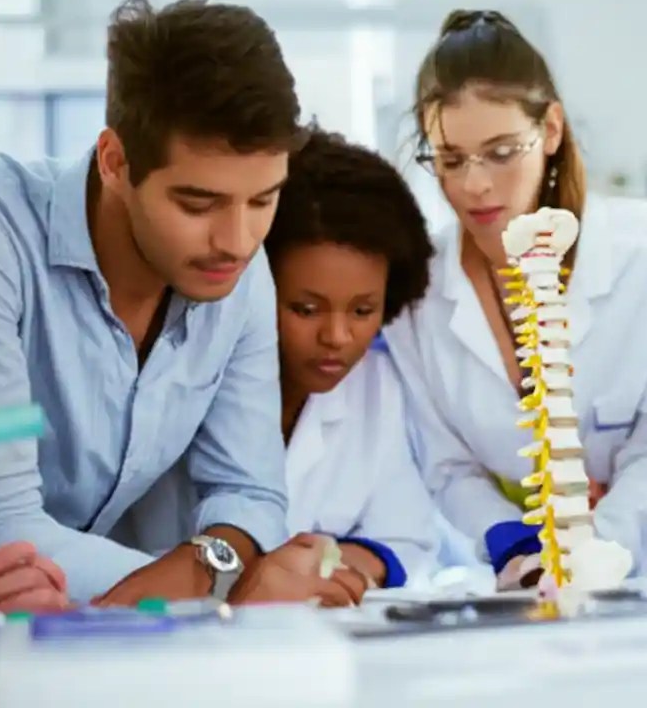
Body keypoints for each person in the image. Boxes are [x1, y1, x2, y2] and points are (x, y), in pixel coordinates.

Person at [0, 0, 323, 605]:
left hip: (84, 623)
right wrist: (215, 589)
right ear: (114, 162)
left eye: (263, 200)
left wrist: (205, 569)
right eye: (197, 204)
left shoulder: (239, 273)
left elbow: (250, 495)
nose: (237, 240)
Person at [383, 9, 647, 590]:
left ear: (552, 130)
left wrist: (597, 548)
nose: (474, 184)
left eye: (502, 152)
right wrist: (520, 547)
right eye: (450, 159)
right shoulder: (418, 291)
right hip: (520, 582)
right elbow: (448, 466)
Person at [121, 127, 441, 598]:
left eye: (362, 310)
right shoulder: (184, 374)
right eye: (305, 309)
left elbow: (404, 537)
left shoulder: (377, 387)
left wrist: (330, 567)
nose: (337, 337)